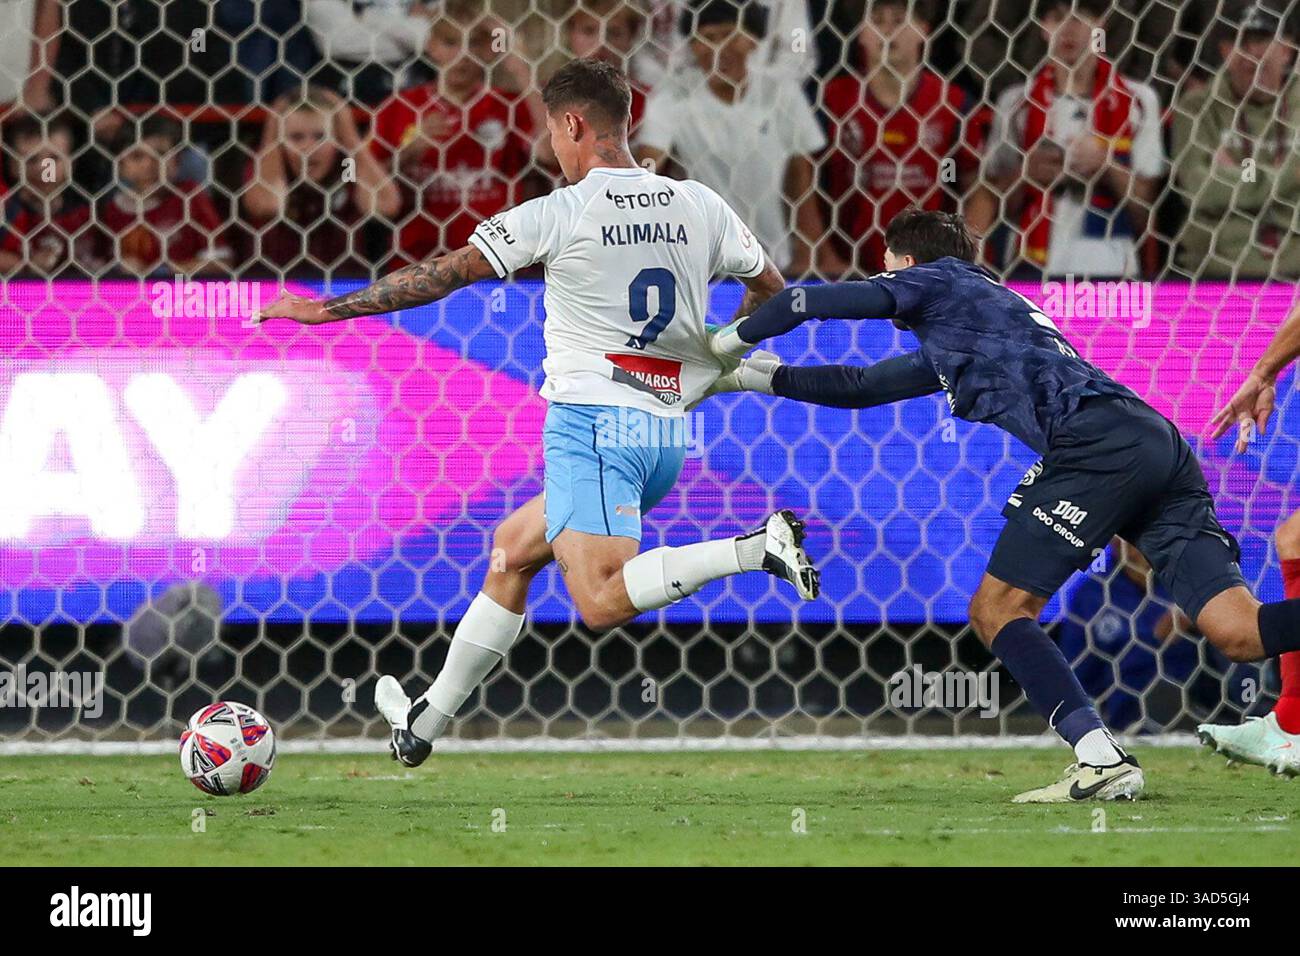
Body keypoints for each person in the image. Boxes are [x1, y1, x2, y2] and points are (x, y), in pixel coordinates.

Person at [258, 58, 819, 766]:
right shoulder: (698, 204)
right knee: (512, 552)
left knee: (601, 601)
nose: (552, 146)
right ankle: (423, 725)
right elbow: (772, 290)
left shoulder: (559, 212)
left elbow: (441, 275)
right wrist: (718, 354)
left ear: (574, 124)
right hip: (662, 436)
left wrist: (326, 310)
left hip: (592, 427)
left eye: (553, 131)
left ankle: (755, 548)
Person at [703, 207, 1300, 802]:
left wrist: (722, 345)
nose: (884, 277)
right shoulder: (974, 320)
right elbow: (863, 388)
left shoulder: (941, 278)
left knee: (998, 609)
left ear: (907, 263)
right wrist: (750, 377)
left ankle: (1100, 758)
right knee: (1240, 632)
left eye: (886, 266)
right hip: (1155, 442)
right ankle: (1107, 756)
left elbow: (806, 301)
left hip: (1093, 445)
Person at [636, 0, 844, 277]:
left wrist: (811, 252)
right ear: (693, 47)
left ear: (753, 42)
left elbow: (800, 178)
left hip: (774, 259)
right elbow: (649, 164)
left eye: (729, 35)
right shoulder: (672, 97)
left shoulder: (780, 92)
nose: (719, 48)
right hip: (704, 263)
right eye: (708, 38)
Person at [968, 0, 1164, 277]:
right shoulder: (1015, 103)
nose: (1068, 29)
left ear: (1100, 25)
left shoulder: (1139, 101)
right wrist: (1026, 174)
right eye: (1057, 17)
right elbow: (991, 201)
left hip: (1111, 270)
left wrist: (1106, 166)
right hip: (1029, 269)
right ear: (1043, 27)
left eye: (1080, 17)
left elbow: (1148, 209)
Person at [369, 0, 540, 268]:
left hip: (493, 262)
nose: (463, 55)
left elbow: (548, 155)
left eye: (474, 44)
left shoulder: (510, 105)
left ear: (489, 49)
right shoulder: (398, 107)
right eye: (451, 43)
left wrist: (521, 68)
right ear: (431, 45)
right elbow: (367, 192)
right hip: (416, 263)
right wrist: (409, 153)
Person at [1170, 3, 1300, 281]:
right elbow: (1198, 190)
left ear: (1287, 50)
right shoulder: (1196, 107)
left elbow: (1214, 188)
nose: (1252, 53)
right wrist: (1288, 176)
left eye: (1262, 40)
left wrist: (1232, 178)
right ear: (1225, 51)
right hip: (1213, 275)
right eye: (1241, 42)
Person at [242, 86, 399, 277]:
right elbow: (266, 206)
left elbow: (384, 207)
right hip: (275, 287)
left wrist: (350, 136)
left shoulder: (346, 167)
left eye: (320, 136)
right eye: (296, 137)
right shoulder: (269, 165)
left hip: (344, 287)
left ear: (338, 138)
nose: (309, 148)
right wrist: (272, 131)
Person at [96, 116, 230, 277]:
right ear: (119, 166)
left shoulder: (190, 197)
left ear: (177, 160)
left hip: (181, 289)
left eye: (160, 154)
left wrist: (158, 273)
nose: (149, 165)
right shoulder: (109, 211)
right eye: (137, 156)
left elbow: (221, 261)